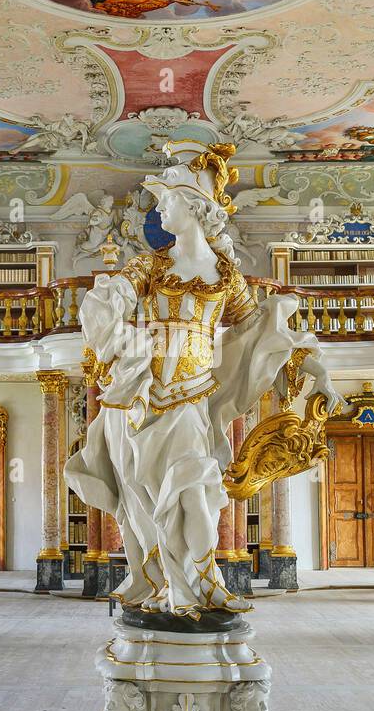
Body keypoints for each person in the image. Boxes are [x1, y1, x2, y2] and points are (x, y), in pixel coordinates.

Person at [66, 138, 338, 621]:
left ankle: (204, 583)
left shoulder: (228, 278)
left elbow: (262, 331)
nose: (158, 208)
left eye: (165, 199)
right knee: (145, 504)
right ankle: (175, 589)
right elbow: (103, 310)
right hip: (140, 402)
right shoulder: (148, 265)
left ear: (191, 207)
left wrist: (315, 369)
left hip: (192, 401)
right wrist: (127, 333)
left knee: (195, 493)